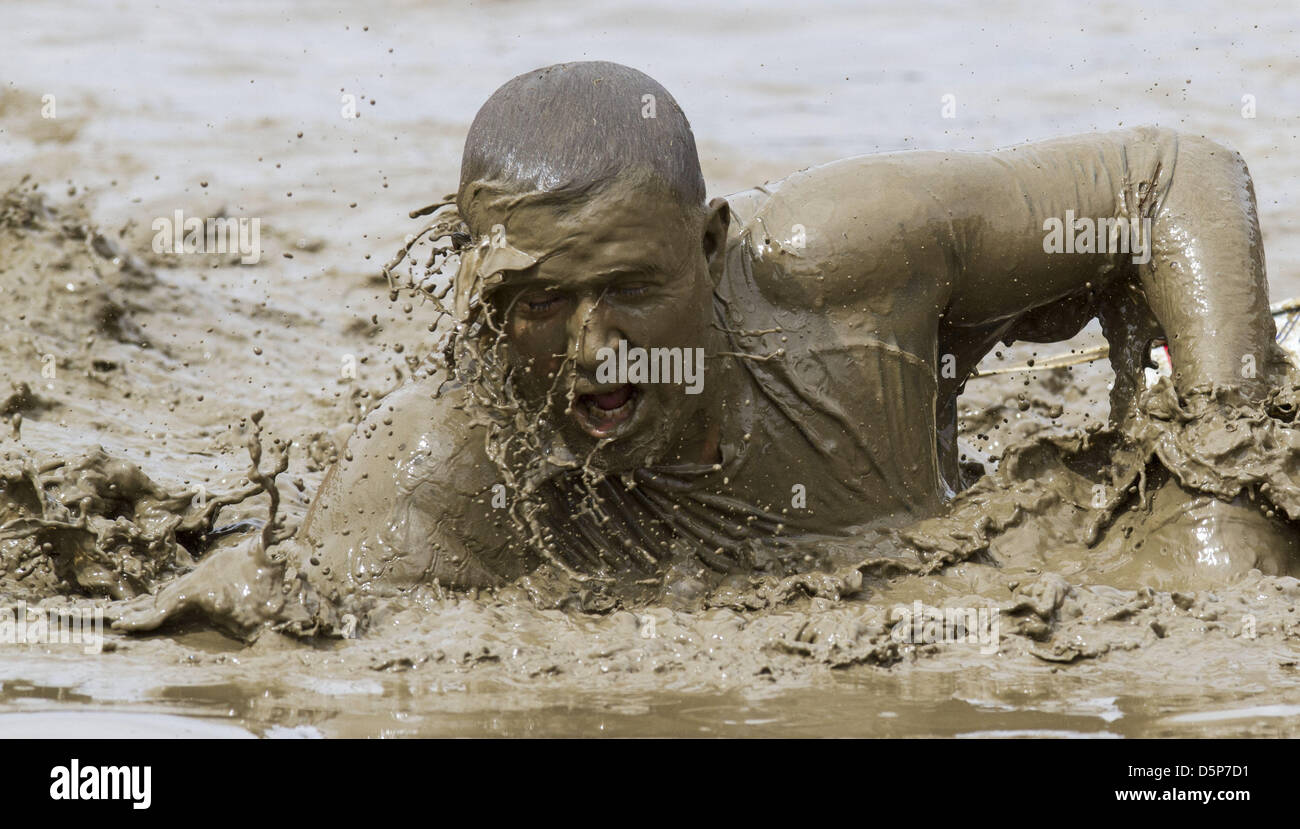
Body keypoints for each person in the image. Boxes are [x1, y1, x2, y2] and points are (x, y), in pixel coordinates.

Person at [112, 61, 1298, 635]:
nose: (592, 351)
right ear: (472, 285)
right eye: (537, 303)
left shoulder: (833, 271)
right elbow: (300, 623)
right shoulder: (448, 471)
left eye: (634, 288)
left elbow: (1172, 179)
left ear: (712, 243)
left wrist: (1220, 515)